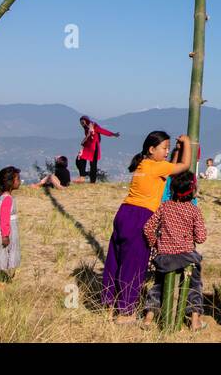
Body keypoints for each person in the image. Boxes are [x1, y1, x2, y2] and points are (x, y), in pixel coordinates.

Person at [101, 131, 192, 320]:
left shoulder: (142, 164)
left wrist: (175, 151)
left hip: (124, 212)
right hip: (141, 215)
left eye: (168, 148)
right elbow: (184, 166)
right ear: (152, 149)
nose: (167, 151)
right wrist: (187, 143)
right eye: (164, 148)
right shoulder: (157, 167)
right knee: (134, 264)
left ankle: (109, 304)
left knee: (115, 260)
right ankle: (126, 312)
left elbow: (169, 167)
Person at [142, 171, 208, 331]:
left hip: (164, 257)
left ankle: (148, 318)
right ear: (192, 191)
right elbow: (200, 238)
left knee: (158, 284)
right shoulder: (194, 210)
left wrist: (156, 245)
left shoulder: (164, 207)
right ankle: (194, 320)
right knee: (195, 285)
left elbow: (148, 228)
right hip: (187, 257)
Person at [77, 116, 118, 184]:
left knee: (93, 165)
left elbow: (103, 131)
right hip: (88, 147)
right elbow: (88, 137)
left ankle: (92, 181)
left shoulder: (94, 126)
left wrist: (112, 134)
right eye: (81, 123)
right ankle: (83, 175)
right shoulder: (86, 128)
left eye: (83, 122)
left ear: (86, 121)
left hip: (94, 148)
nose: (81, 124)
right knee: (79, 159)